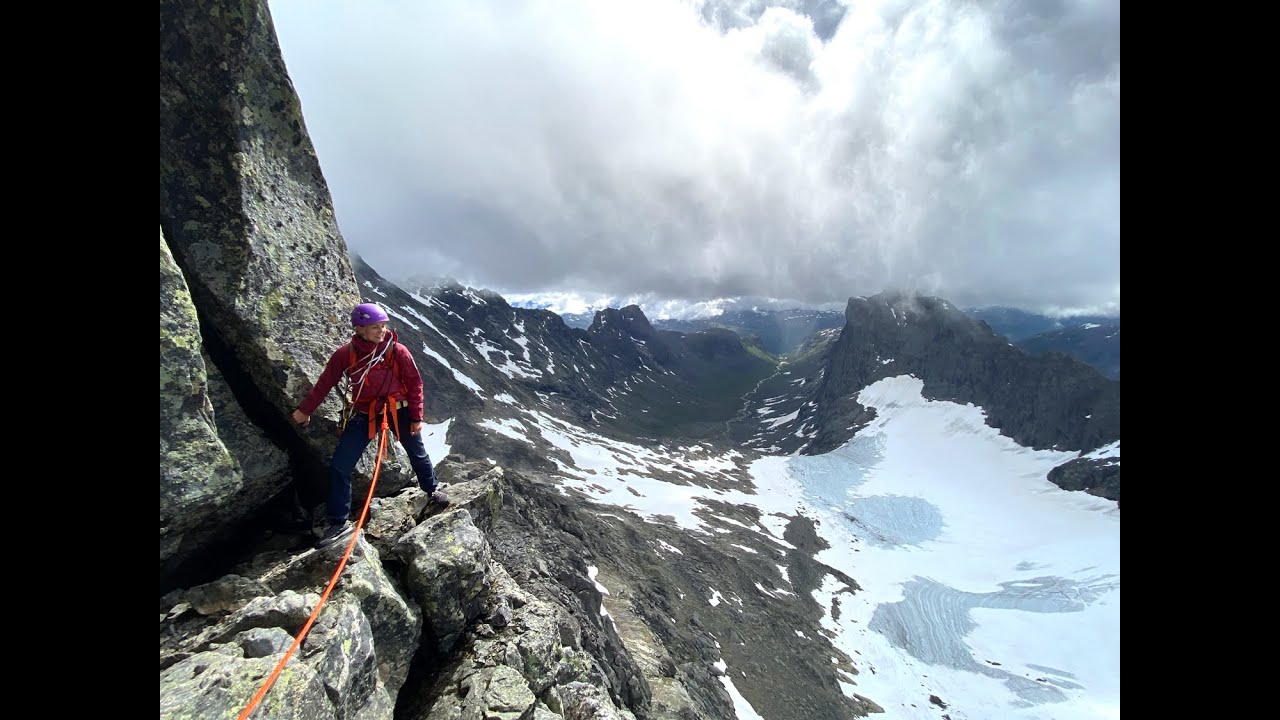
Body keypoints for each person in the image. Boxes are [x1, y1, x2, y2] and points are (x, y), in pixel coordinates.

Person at [292, 302, 449, 548]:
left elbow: (415, 384)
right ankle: (338, 522)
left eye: (383, 326)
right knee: (339, 466)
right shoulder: (346, 354)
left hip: (401, 412)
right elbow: (325, 383)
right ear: (359, 329)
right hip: (367, 413)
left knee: (417, 453)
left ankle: (431, 489)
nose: (381, 331)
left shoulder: (398, 351)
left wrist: (417, 417)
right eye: (374, 327)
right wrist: (305, 411)